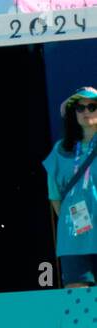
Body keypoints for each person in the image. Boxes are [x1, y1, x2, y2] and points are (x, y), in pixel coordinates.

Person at [45, 87, 97, 289]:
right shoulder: (60, 149)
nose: (85, 111)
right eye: (79, 107)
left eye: (92, 106)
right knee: (79, 305)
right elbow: (55, 195)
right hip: (75, 239)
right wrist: (72, 223)